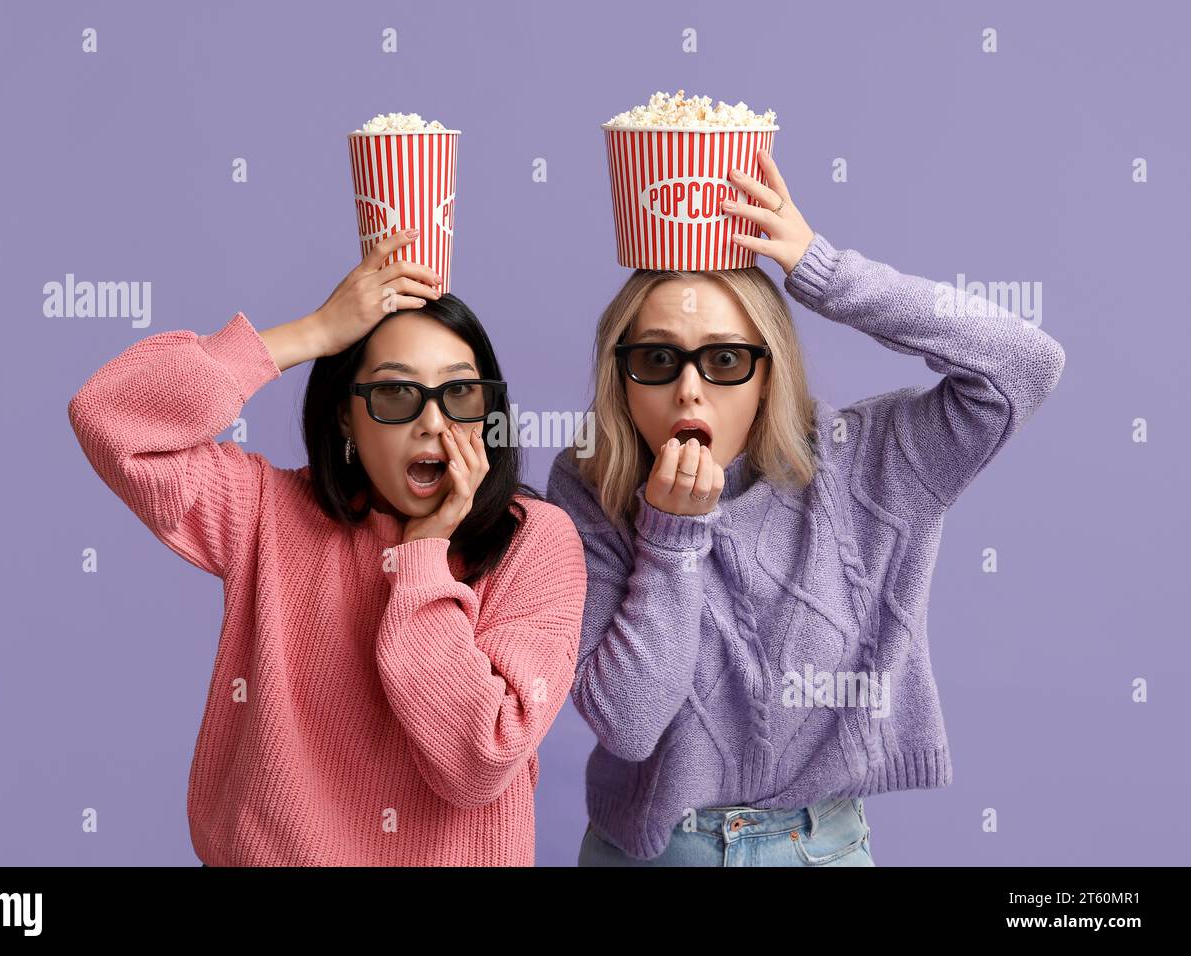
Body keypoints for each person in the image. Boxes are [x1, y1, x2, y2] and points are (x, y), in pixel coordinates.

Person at [546, 148, 1066, 866]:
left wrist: (823, 270)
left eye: (725, 360)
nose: (690, 391)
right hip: (656, 853)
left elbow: (1025, 362)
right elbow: (629, 725)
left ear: (768, 373)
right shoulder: (590, 484)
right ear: (623, 379)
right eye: (660, 360)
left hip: (820, 848)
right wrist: (669, 540)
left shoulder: (870, 460)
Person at [69, 229, 586, 866]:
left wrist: (424, 559)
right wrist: (312, 333)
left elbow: (477, 759)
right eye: (396, 393)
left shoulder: (535, 541)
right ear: (346, 415)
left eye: (458, 393)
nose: (433, 422)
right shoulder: (266, 511)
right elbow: (109, 416)